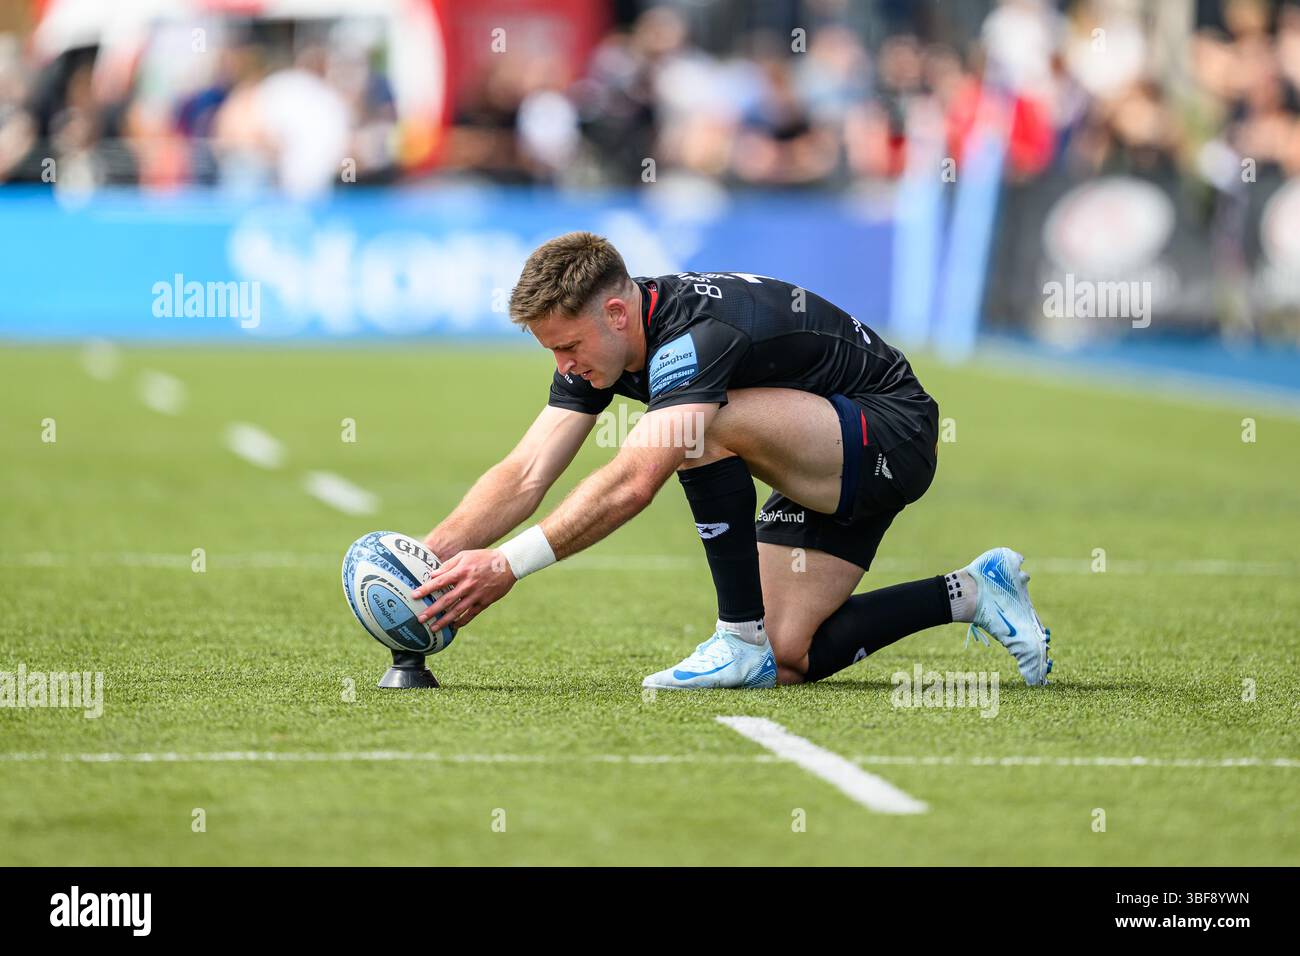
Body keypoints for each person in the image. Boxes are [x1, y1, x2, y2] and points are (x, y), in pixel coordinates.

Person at [413, 231, 1051, 689]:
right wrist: (424, 561)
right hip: (818, 450)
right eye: (553, 352)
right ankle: (971, 592)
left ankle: (736, 638)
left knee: (696, 429)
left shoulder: (694, 334)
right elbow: (527, 472)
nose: (565, 367)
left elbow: (633, 483)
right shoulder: (606, 343)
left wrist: (506, 565)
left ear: (615, 312)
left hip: (891, 433)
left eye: (569, 346)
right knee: (791, 654)